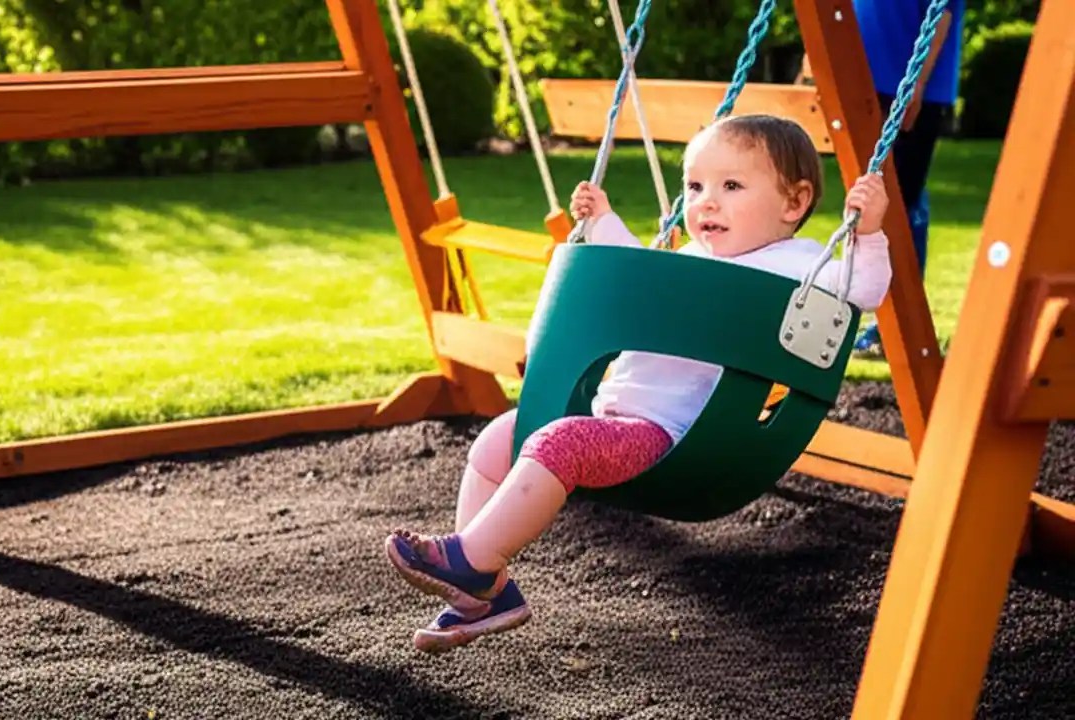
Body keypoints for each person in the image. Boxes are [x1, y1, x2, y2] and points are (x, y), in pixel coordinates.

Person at [383, 114, 893, 654]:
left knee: (559, 443)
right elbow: (637, 273)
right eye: (694, 187)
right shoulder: (695, 256)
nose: (706, 202)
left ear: (794, 203)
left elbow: (862, 290)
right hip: (611, 417)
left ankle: (471, 561)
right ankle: (481, 588)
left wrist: (869, 232)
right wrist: (603, 223)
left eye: (731, 186)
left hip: (669, 438)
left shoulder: (798, 264)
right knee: (497, 441)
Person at [848, 0, 965, 354]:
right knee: (868, 200)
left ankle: (899, 326)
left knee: (900, 204)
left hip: (911, 86)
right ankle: (877, 320)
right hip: (862, 80)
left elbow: (942, 14)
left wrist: (916, 84)